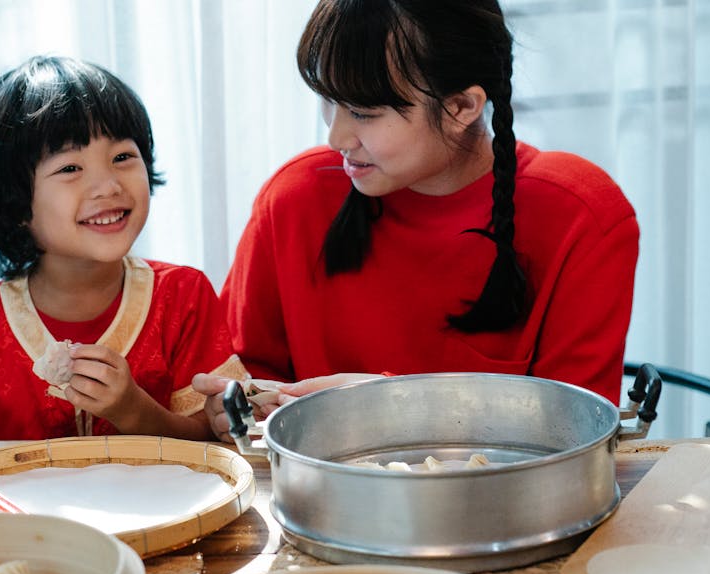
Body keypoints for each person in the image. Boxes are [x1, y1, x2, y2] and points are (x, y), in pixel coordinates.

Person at [195, 0, 639, 441]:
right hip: (316, 502)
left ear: (462, 107)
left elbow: (577, 432)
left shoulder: (581, 215)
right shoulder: (295, 198)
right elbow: (246, 372)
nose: (336, 137)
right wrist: (236, 405)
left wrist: (393, 408)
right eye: (329, 101)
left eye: (365, 113)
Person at [0, 55, 247, 441]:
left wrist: (134, 412)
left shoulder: (183, 297)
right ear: (14, 202)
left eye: (122, 157)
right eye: (70, 168)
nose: (108, 186)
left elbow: (217, 447)